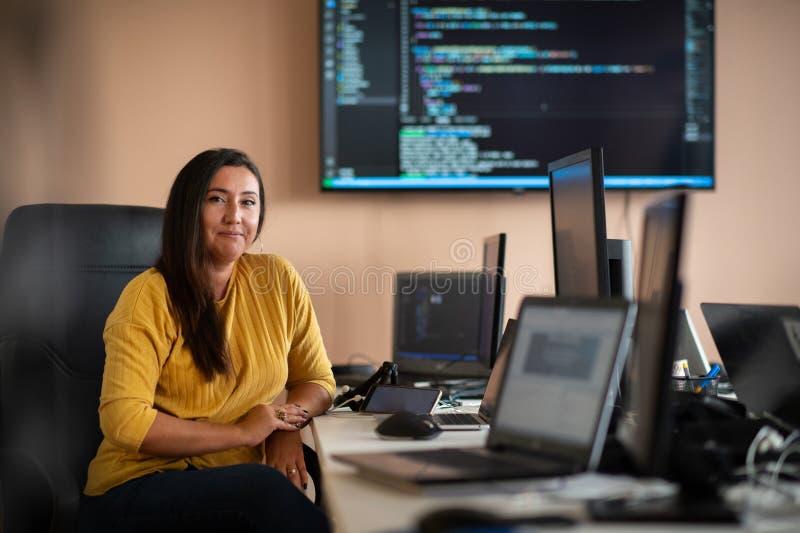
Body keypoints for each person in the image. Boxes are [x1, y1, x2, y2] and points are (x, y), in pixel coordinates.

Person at [79, 148, 335, 532]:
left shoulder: (278, 279)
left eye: (248, 202)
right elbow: (125, 422)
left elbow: (318, 381)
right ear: (189, 211)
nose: (235, 216)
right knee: (263, 492)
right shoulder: (148, 297)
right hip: (136, 486)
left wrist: (284, 423)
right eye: (217, 199)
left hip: (232, 478)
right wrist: (244, 433)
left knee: (325, 477)